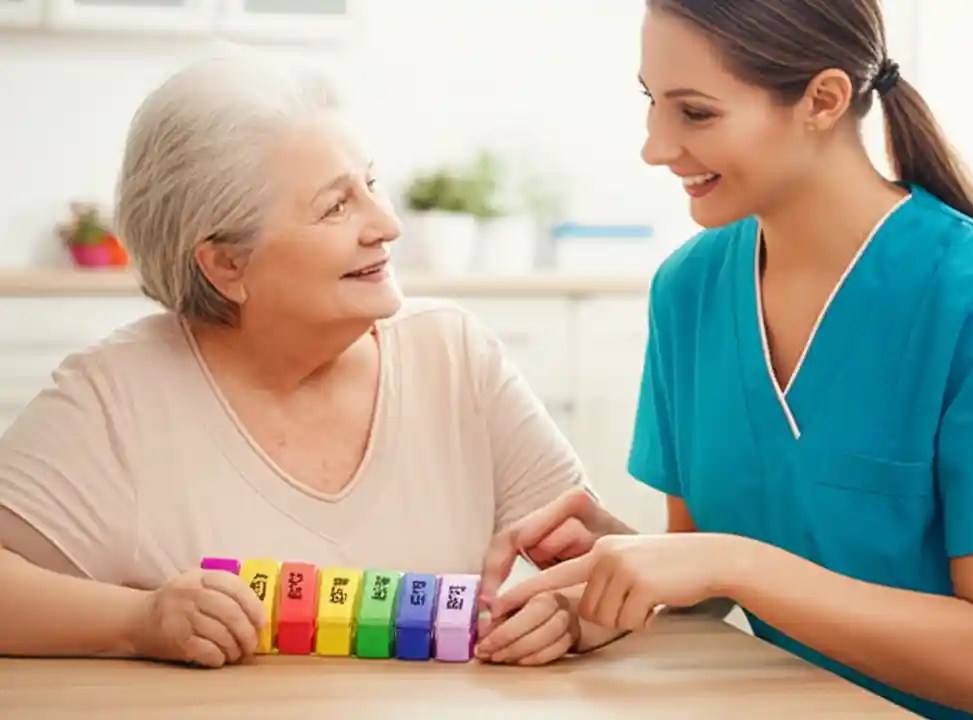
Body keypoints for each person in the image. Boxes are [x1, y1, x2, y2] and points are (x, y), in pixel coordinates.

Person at [478, 2, 973, 718]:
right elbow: (718, 581)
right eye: (651, 103)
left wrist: (731, 562)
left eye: (695, 113)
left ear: (822, 100)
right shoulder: (687, 290)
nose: (655, 148)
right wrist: (626, 575)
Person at [0, 52, 621, 669]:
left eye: (371, 186)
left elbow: (603, 569)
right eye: (336, 207)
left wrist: (567, 614)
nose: (387, 224)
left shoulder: (455, 356)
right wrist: (137, 622)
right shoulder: (115, 399)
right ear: (226, 264)